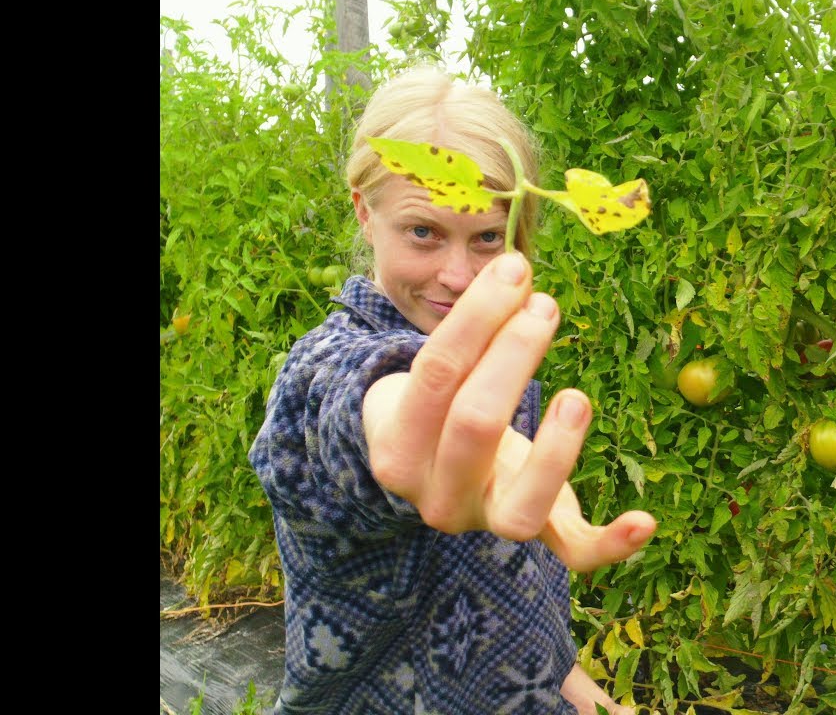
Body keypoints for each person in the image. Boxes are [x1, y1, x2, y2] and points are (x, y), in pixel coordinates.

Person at [249, 64, 657, 715]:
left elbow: (521, 594)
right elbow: (368, 402)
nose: (459, 275)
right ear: (364, 212)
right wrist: (400, 429)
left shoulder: (500, 373)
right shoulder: (320, 369)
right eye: (424, 232)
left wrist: (588, 698)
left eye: (487, 237)